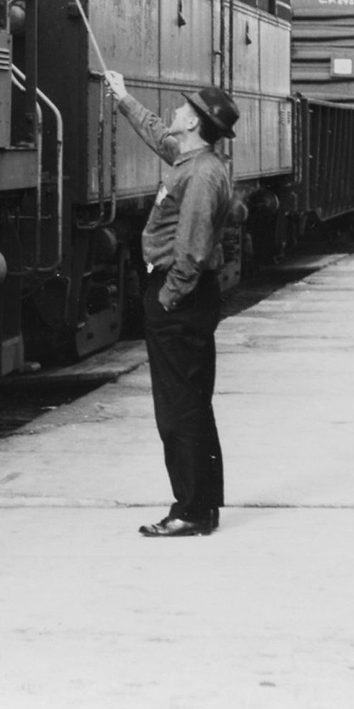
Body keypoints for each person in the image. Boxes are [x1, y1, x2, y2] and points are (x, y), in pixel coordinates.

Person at [102, 72, 240, 538]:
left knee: (179, 409)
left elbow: (193, 250)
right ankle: (202, 505)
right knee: (191, 403)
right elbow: (159, 135)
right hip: (184, 297)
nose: (176, 111)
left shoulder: (201, 175)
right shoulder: (192, 160)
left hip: (180, 298)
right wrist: (124, 98)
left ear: (196, 123)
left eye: (184, 108)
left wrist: (167, 298)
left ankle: (191, 512)